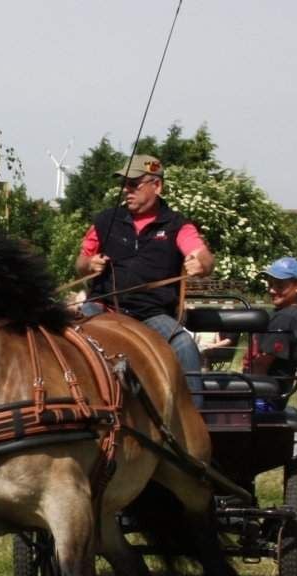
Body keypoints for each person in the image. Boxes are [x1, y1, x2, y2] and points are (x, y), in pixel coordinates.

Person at [75, 154, 214, 403]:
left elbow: (202, 256)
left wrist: (200, 263)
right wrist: (89, 264)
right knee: (65, 334)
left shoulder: (176, 225)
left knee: (184, 346)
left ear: (157, 186)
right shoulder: (106, 220)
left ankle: (196, 420)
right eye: (124, 184)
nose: (127, 190)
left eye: (134, 184)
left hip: (152, 314)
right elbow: (81, 262)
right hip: (102, 307)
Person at [243, 257, 297, 388]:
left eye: (280, 285)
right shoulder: (282, 314)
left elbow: (262, 364)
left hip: (265, 392)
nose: (272, 290)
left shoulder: (286, 318)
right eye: (270, 284)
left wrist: (246, 391)